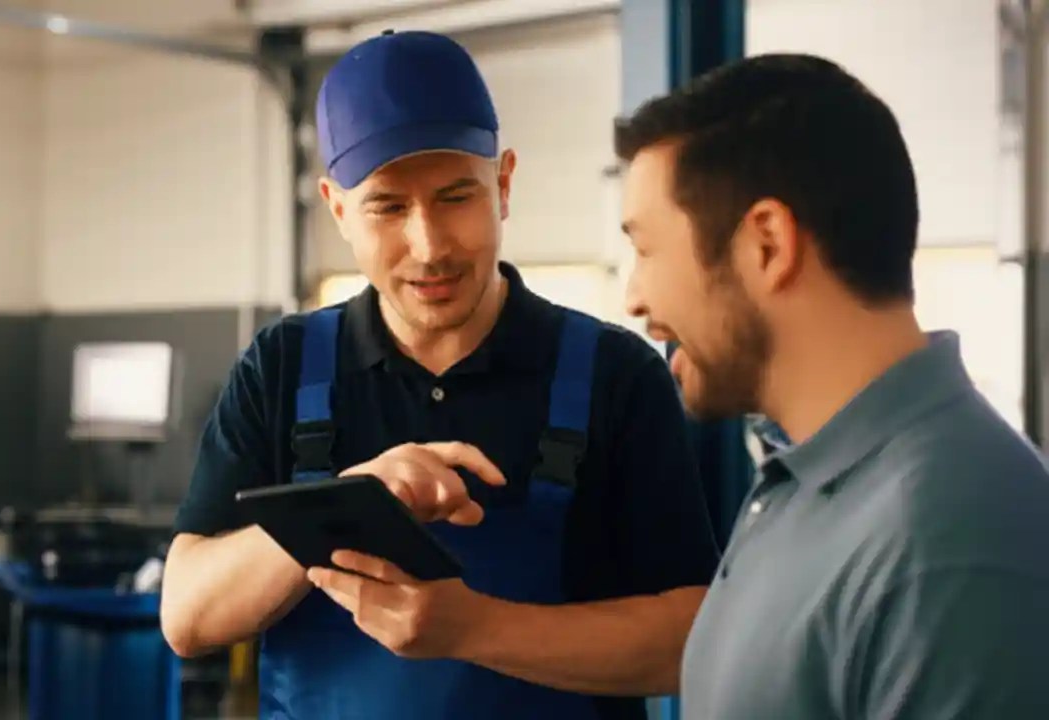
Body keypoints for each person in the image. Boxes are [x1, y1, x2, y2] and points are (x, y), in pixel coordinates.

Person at [161, 29, 720, 719]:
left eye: (457, 196)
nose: (429, 247)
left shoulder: (616, 375)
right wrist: (344, 505)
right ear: (337, 207)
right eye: (388, 207)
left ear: (504, 184)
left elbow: (691, 639)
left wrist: (474, 627)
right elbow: (187, 618)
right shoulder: (281, 368)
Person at [615, 52, 1049, 719]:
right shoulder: (808, 479)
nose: (634, 298)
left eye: (645, 250)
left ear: (767, 244)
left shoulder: (950, 543)